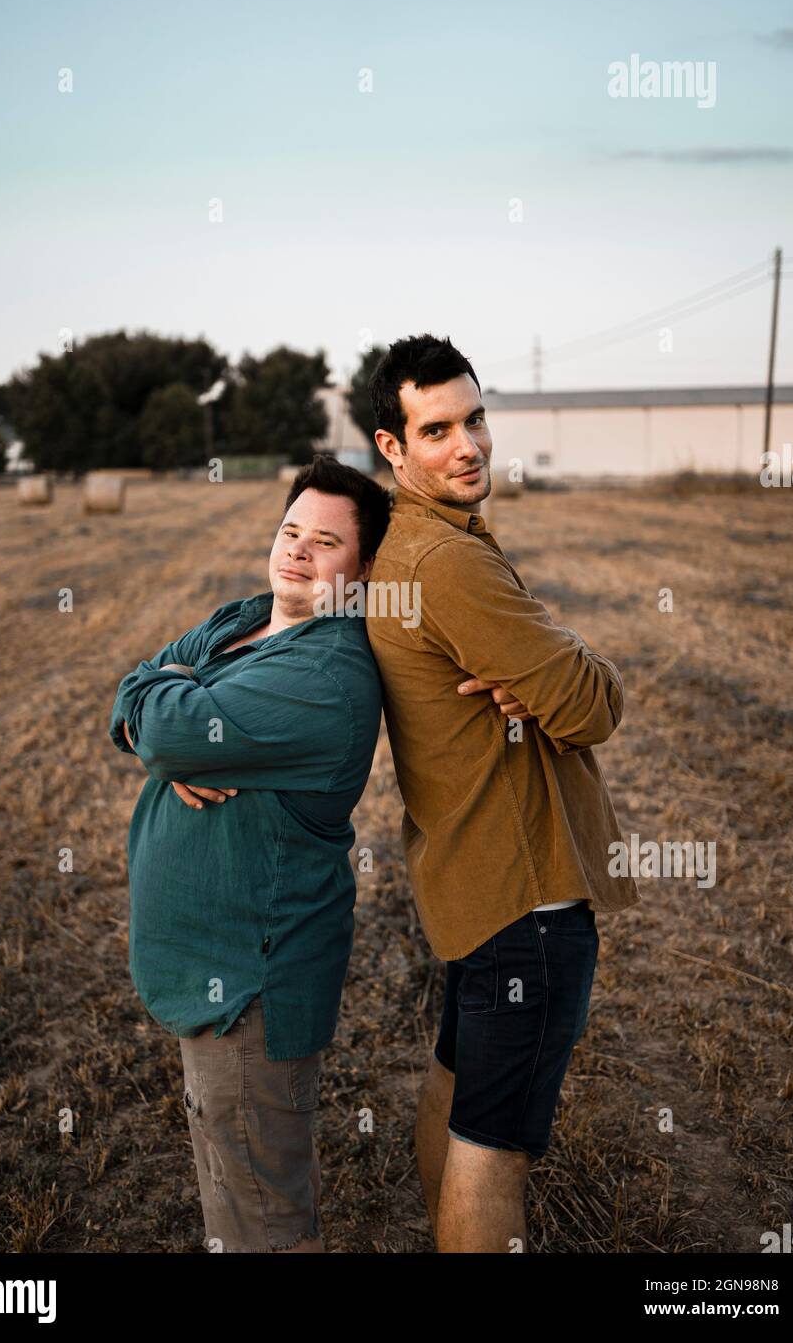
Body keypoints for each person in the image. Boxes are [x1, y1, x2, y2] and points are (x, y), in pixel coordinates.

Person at [364, 334, 641, 1253]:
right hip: (528, 897)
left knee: (458, 1093)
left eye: (475, 419)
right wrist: (567, 655)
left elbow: (557, 687)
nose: (469, 445)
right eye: (436, 429)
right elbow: (593, 706)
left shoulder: (415, 546)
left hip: (476, 885)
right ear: (392, 447)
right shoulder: (446, 564)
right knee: (495, 1149)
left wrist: (543, 657)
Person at [109, 455, 391, 1253]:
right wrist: (162, 714)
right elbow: (135, 700)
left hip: (250, 984)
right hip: (210, 965)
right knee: (232, 1187)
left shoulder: (326, 675)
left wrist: (168, 715)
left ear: (365, 569)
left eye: (326, 542)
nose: (297, 550)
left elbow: (162, 726)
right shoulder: (243, 619)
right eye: (290, 530)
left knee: (264, 1220)